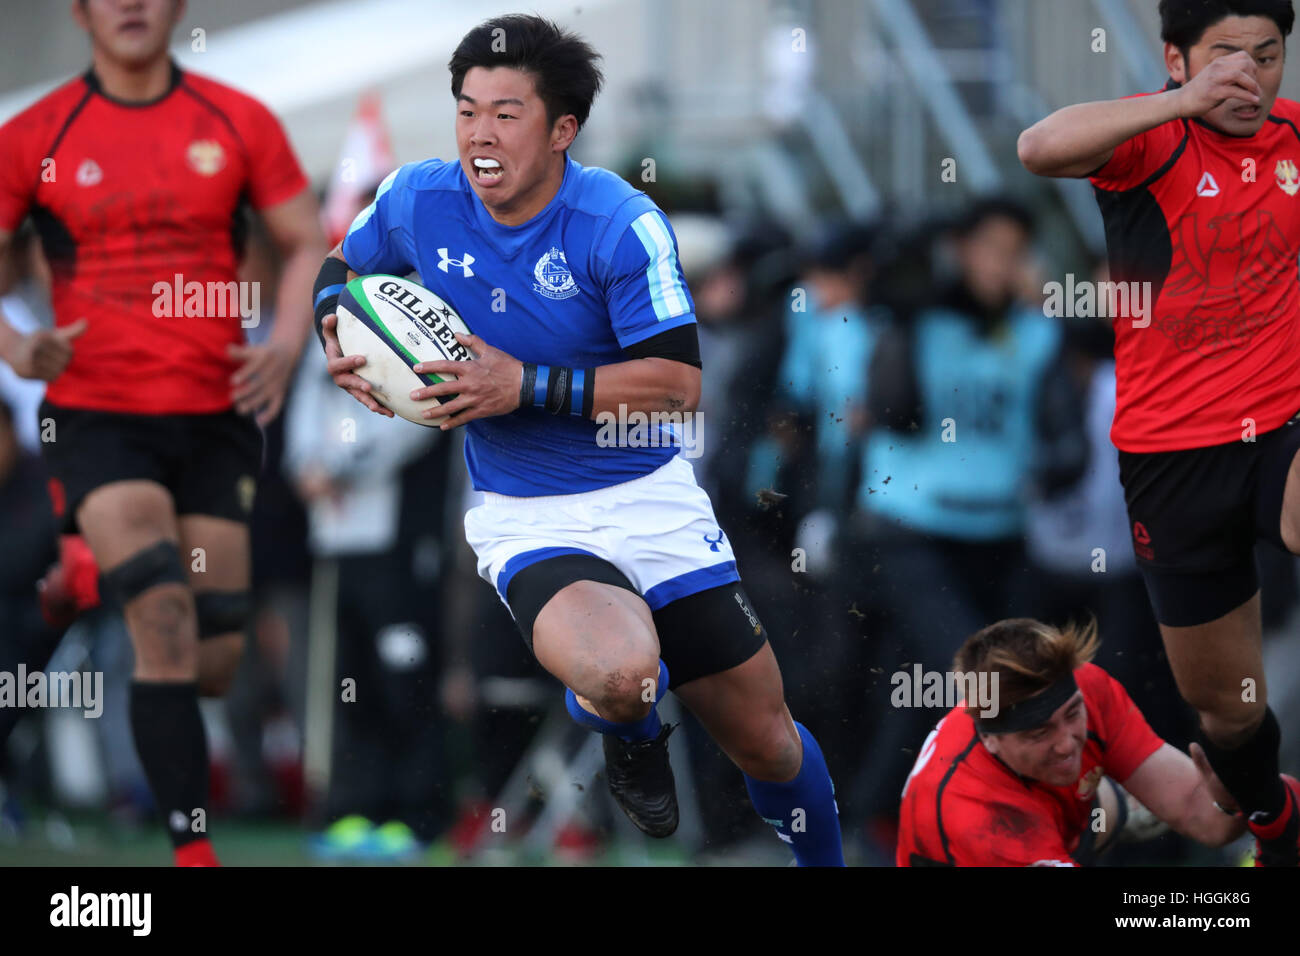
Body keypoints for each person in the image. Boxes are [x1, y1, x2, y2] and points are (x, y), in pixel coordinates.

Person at [313, 14, 843, 865]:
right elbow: (341, 265)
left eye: (506, 113)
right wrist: (335, 334)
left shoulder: (619, 224)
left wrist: (519, 383)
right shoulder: (420, 197)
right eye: (466, 109)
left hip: (652, 501)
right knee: (625, 673)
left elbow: (677, 390)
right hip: (530, 516)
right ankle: (626, 728)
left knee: (769, 742)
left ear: (563, 129)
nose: (479, 134)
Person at [0, 0, 325, 865]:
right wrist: (17, 341)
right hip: (96, 414)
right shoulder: (35, 132)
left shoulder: (238, 119)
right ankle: (192, 850)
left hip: (215, 419)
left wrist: (287, 341)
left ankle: (90, 562)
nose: (132, 5)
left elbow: (305, 241)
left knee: (212, 658)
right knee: (161, 613)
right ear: (80, 12)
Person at [1018, 0, 1300, 864]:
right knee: (1228, 709)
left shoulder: (1293, 137)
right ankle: (1279, 827)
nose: (1251, 75)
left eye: (1269, 54)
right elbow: (1037, 146)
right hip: (1172, 455)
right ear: (1176, 59)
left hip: (1285, 422)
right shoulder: (1148, 139)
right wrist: (1181, 103)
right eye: (1227, 57)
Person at [896, 618, 1256, 866]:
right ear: (990, 738)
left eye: (1072, 715)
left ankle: (1112, 810)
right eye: (1039, 733)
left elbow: (1206, 818)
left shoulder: (1088, 689)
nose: (1067, 743)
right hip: (1001, 843)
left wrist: (1232, 799)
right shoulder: (982, 821)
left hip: (1053, 820)